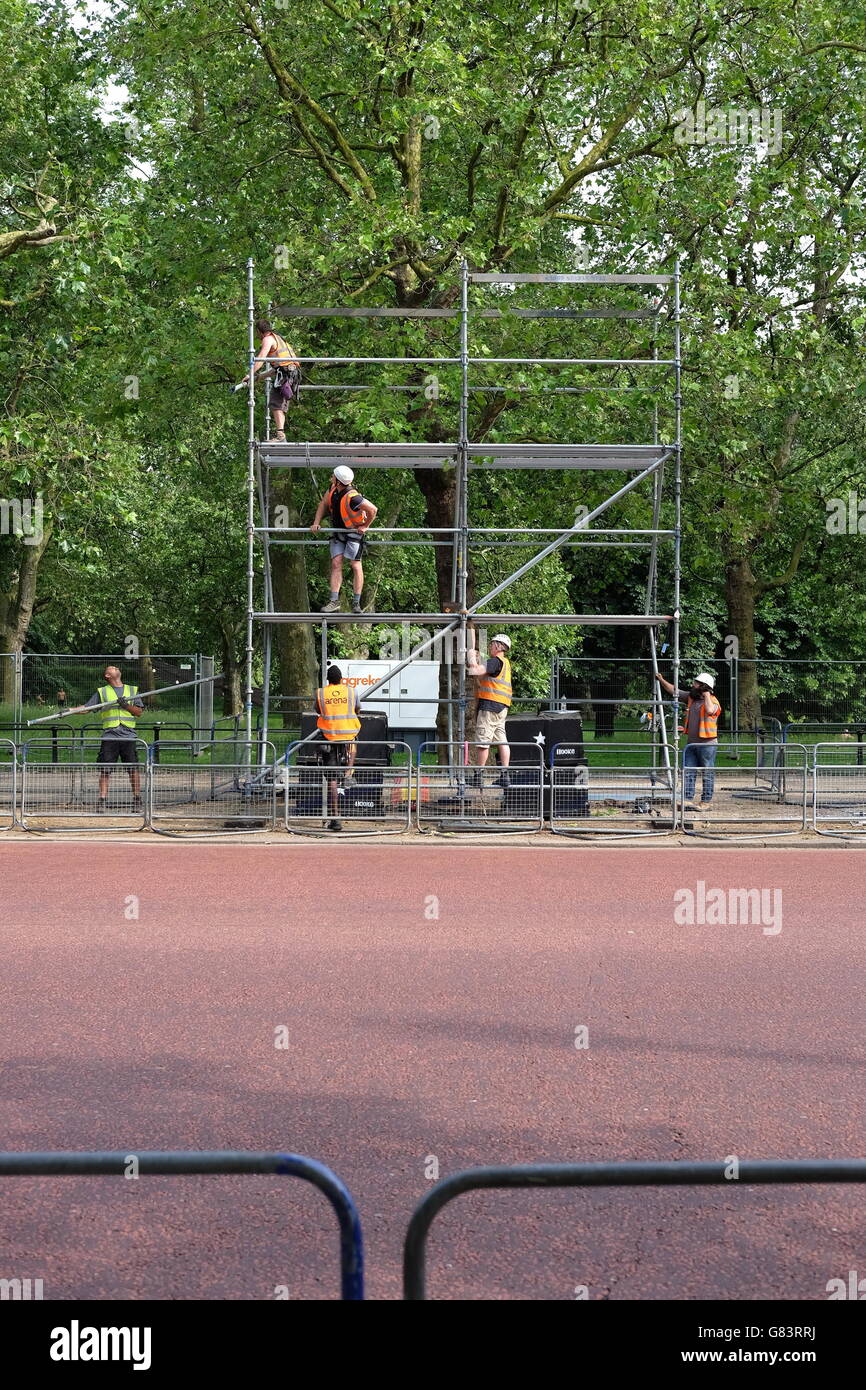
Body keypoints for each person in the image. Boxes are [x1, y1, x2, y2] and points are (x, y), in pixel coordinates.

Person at [67, 666, 144, 812]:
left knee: (133, 769)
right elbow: (87, 708)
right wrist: (70, 711)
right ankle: (102, 800)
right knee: (105, 770)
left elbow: (139, 712)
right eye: (113, 668)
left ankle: (137, 799)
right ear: (108, 675)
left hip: (128, 736)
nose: (117, 668)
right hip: (110, 736)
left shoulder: (132, 690)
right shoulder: (102, 692)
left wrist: (126, 705)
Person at [310, 466, 378, 614]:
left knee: (355, 564)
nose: (331, 478)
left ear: (339, 481)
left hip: (354, 533)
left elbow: (373, 510)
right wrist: (316, 522)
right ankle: (334, 601)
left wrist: (365, 526)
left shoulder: (353, 497)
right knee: (336, 563)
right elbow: (323, 503)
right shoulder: (333, 489)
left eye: (333, 476)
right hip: (338, 533)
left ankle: (356, 603)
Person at [656, 669, 721, 810]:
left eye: (696, 683)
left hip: (707, 744)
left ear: (704, 686)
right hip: (691, 744)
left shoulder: (714, 702)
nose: (693, 685)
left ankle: (706, 802)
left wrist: (707, 695)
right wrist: (661, 680)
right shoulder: (691, 698)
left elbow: (710, 710)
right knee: (688, 771)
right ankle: (687, 799)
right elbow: (675, 691)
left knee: (707, 772)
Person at [314, 664, 361, 831]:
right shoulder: (351, 691)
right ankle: (349, 772)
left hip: (329, 735)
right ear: (341, 679)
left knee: (332, 779)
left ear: (328, 679)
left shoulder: (321, 692)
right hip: (348, 733)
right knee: (353, 741)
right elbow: (357, 708)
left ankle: (335, 818)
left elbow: (317, 710)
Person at [239, 319, 300, 441]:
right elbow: (276, 369)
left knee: (275, 403)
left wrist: (250, 374)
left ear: (258, 331)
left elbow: (260, 358)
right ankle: (281, 434)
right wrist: (258, 377)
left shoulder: (267, 339)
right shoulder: (278, 338)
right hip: (291, 373)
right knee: (279, 404)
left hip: (286, 374)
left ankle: (281, 436)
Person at [466, 634, 513, 787]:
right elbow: (486, 677)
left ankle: (478, 775)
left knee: (483, 741)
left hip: (490, 706)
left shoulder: (495, 661)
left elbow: (476, 672)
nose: (490, 646)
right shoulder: (505, 663)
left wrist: (471, 657)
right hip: (502, 707)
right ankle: (505, 775)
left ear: (499, 646)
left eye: (492, 644)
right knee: (501, 740)